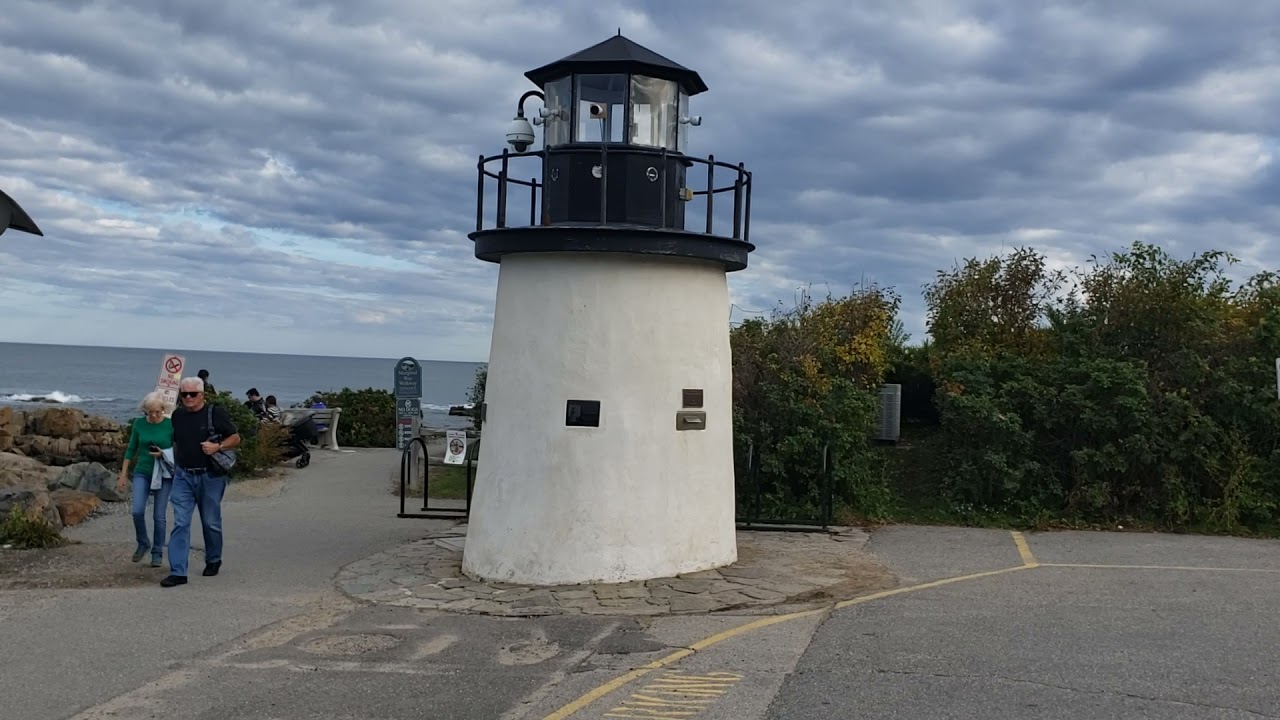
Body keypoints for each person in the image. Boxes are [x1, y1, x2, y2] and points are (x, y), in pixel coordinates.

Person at [162, 376, 240, 588]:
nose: (188, 398)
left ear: (202, 395)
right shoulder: (177, 416)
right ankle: (178, 571)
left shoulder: (215, 413)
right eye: (184, 394)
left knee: (210, 522)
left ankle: (214, 559)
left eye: (192, 394)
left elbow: (235, 438)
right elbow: (176, 442)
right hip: (184, 476)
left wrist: (218, 447)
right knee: (180, 522)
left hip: (211, 476)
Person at [116, 391, 174, 567]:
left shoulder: (170, 425)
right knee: (137, 511)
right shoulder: (139, 424)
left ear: (163, 409)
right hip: (143, 471)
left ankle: (157, 552)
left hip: (163, 474)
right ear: (145, 411)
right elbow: (131, 449)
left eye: (158, 412)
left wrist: (163, 454)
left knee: (159, 516)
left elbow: (178, 450)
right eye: (150, 412)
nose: (155, 415)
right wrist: (123, 475)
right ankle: (143, 542)